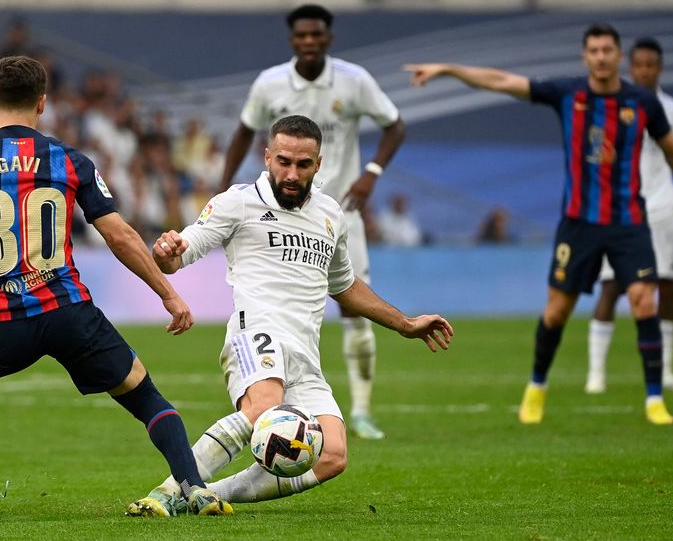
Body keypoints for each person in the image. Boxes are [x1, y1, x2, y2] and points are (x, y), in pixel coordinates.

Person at [0, 55, 231, 518]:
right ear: (42, 103)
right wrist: (169, 294)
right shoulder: (69, 160)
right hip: (69, 313)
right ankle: (195, 487)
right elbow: (119, 235)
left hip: (1, 321)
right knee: (143, 392)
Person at [128, 115, 452, 516]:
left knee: (332, 454)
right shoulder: (238, 202)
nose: (292, 173)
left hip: (304, 354)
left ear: (319, 164)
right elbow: (183, 251)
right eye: (283, 161)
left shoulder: (331, 216)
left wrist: (405, 324)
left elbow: (346, 288)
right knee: (264, 406)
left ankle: (208, 494)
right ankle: (165, 492)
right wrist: (167, 252)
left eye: (303, 164)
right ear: (267, 157)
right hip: (256, 331)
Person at [405, 22, 673, 426]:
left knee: (644, 301)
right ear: (585, 56)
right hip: (579, 225)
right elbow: (502, 81)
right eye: (594, 50)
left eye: (608, 50)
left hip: (629, 222)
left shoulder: (642, 103)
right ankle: (536, 386)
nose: (601, 57)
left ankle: (655, 399)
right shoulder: (568, 94)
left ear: (618, 55)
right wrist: (448, 69)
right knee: (556, 313)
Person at [219, 4, 408, 441]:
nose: (309, 42)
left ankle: (361, 410)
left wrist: (371, 174)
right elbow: (245, 131)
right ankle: (274, 392)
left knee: (354, 305)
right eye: (301, 35)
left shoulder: (354, 80)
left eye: (316, 35)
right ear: (292, 40)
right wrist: (224, 186)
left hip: (339, 215)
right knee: (281, 310)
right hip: (281, 216)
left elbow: (395, 125)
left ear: (328, 38)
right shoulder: (269, 83)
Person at [586, 38, 673, 395]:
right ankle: (596, 375)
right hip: (623, 210)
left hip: (664, 208)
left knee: (667, 288)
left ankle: (664, 372)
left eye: (651, 65)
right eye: (639, 64)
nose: (645, 70)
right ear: (628, 66)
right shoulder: (614, 105)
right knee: (611, 287)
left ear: (659, 68)